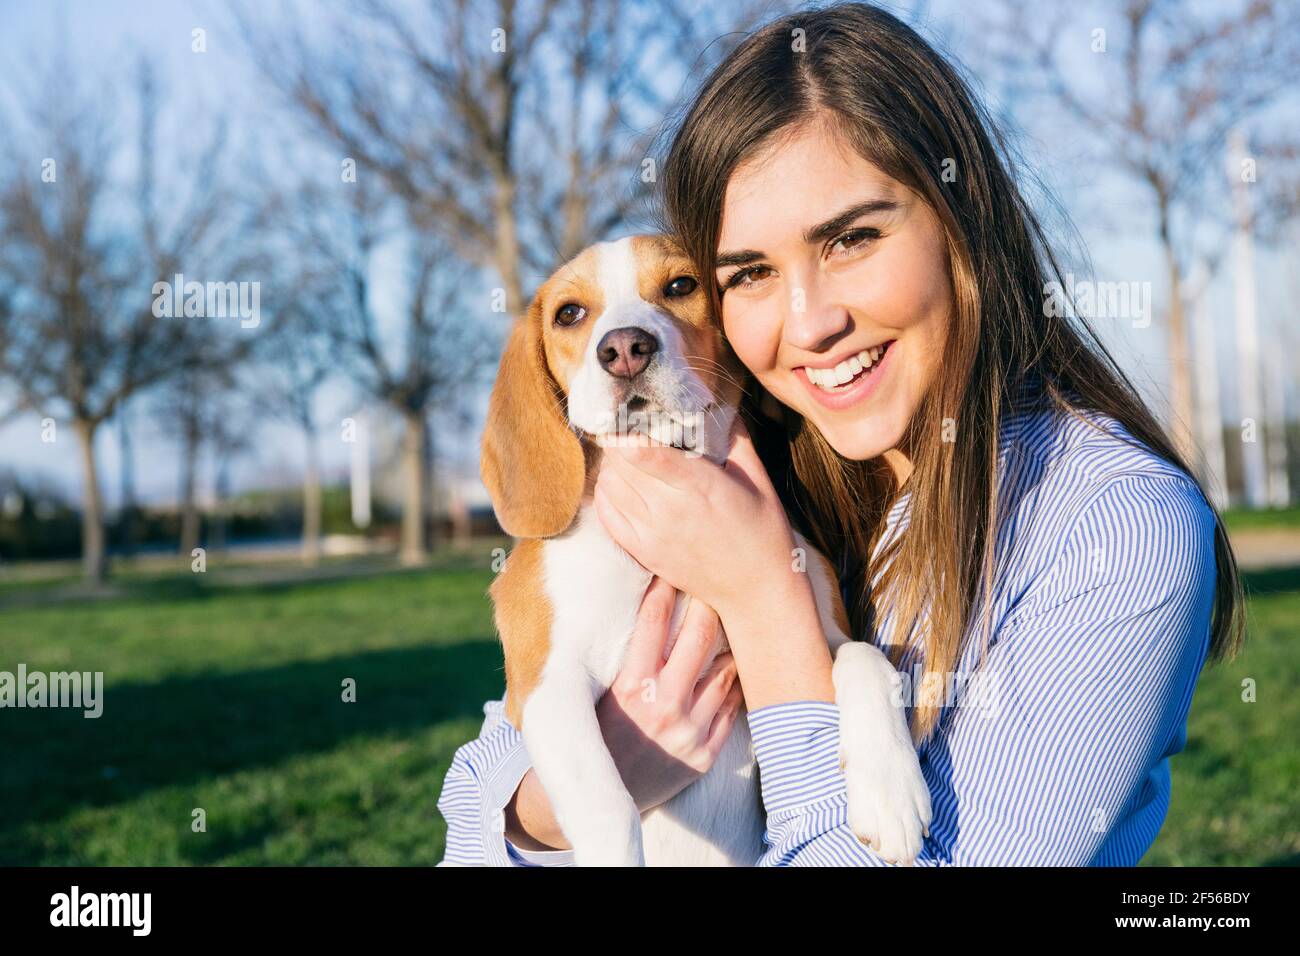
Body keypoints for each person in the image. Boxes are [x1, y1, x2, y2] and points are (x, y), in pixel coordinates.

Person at [437, 2, 1243, 866]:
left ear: (961, 219)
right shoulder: (754, 466)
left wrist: (763, 601)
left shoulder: (1113, 531)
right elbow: (477, 806)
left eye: (852, 238)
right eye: (749, 272)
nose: (810, 322)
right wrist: (572, 805)